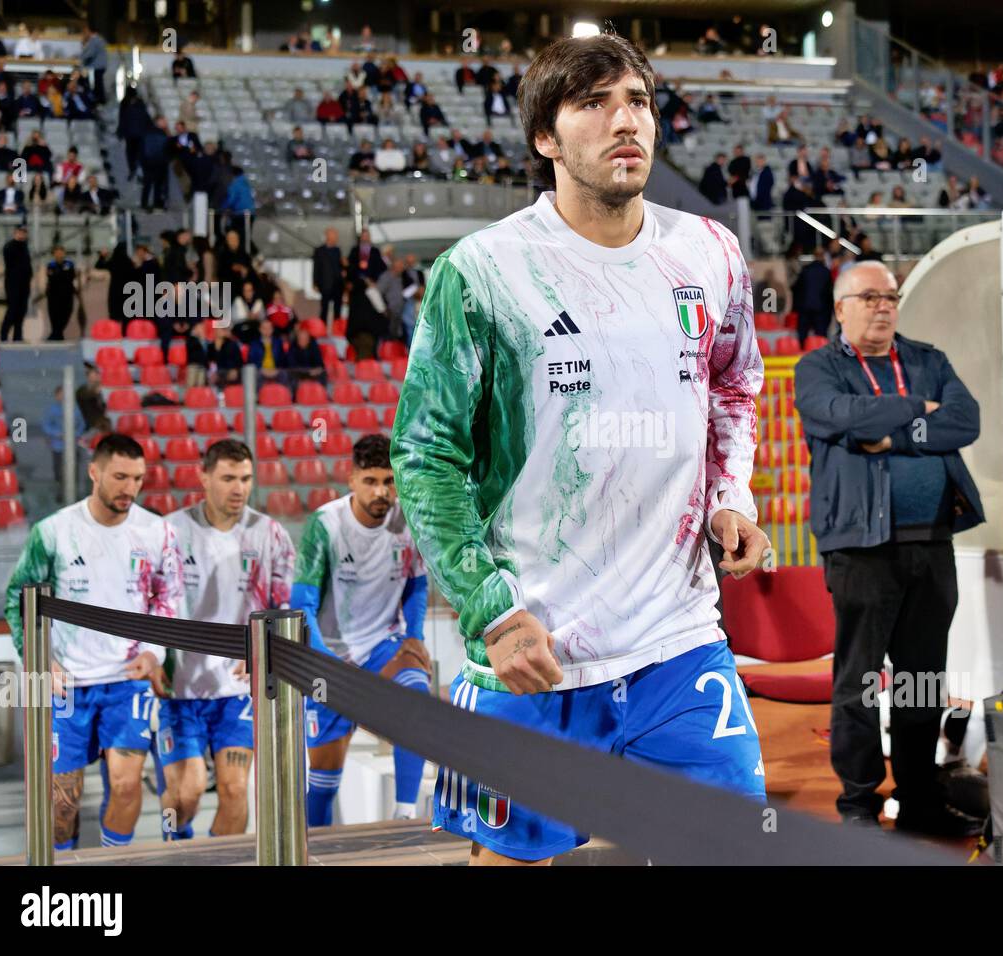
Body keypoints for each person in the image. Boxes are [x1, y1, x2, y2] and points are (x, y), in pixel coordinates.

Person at [392, 33, 770, 865]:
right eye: (592, 105)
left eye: (635, 100)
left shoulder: (709, 253)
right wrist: (491, 612)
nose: (623, 120)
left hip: (681, 644)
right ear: (546, 139)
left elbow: (736, 387)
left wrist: (730, 497)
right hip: (539, 653)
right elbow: (425, 456)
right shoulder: (484, 272)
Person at [793, 261, 987, 836]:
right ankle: (857, 805)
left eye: (891, 297)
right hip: (860, 544)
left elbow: (964, 421)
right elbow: (836, 415)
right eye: (869, 296)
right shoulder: (818, 367)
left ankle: (919, 795)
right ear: (840, 308)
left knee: (921, 680)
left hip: (930, 541)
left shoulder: (928, 359)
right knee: (858, 680)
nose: (883, 306)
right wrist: (916, 408)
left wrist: (894, 435)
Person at [4, 434, 183, 851]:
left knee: (125, 786)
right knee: (61, 803)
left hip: (127, 680)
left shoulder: (157, 532)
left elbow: (170, 598)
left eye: (138, 478)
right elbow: (18, 599)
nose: (130, 488)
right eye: (120, 476)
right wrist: (38, 661)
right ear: (94, 472)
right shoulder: (54, 532)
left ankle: (112, 867)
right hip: (67, 682)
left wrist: (154, 653)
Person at [158, 440, 295, 839]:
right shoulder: (167, 532)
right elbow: (142, 600)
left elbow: (284, 603)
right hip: (178, 688)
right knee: (187, 792)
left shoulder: (269, 534)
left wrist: (264, 643)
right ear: (204, 476)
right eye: (228, 478)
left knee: (236, 791)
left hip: (236, 689)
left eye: (246, 478)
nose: (239, 488)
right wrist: (151, 656)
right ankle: (176, 849)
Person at [291, 434, 431, 824]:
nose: (381, 491)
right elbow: (300, 604)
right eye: (371, 481)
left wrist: (414, 634)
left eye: (389, 480)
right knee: (323, 777)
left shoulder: (408, 522)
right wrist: (324, 662)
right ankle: (312, 848)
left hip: (383, 646)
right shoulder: (325, 524)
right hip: (330, 652)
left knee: (417, 702)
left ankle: (406, 820)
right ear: (352, 479)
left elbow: (417, 583)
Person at [41, 386, 86, 501]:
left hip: (72, 445)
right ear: (56, 396)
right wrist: (57, 434)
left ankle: (73, 493)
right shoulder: (52, 410)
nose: (63, 397)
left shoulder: (75, 409)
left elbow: (82, 425)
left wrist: (74, 434)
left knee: (74, 469)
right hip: (58, 446)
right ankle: (61, 491)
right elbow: (46, 426)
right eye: (61, 394)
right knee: (58, 471)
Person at [792, 246, 834, 345]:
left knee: (802, 338)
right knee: (821, 338)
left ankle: (802, 356)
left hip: (805, 309)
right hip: (821, 310)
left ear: (814, 256)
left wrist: (796, 307)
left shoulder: (805, 270)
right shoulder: (826, 272)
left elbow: (796, 289)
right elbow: (829, 293)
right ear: (823, 256)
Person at [1, 225, 31, 343]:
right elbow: (12, 264)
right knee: (12, 309)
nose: (22, 234)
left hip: (24, 283)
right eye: (20, 232)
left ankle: (17, 336)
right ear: (15, 233)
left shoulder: (25, 247)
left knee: (21, 310)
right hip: (13, 283)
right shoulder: (10, 247)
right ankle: (4, 335)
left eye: (24, 232)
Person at [44, 245, 78, 342]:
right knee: (54, 314)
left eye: (61, 252)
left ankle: (56, 334)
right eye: (57, 252)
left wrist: (60, 275)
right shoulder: (51, 265)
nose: (59, 254)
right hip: (54, 294)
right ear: (54, 254)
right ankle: (57, 334)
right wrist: (62, 274)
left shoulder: (69, 264)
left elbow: (71, 276)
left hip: (67, 293)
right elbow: (52, 277)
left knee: (67, 312)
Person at [80, 25, 109, 105]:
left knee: (96, 85)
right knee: (99, 84)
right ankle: (100, 101)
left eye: (85, 32)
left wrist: (80, 58)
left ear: (89, 31)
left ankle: (98, 102)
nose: (84, 34)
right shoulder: (100, 39)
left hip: (96, 66)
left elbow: (89, 54)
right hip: (101, 66)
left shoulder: (94, 40)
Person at [75, 362, 107, 430]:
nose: (98, 376)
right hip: (88, 426)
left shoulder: (100, 391)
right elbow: (88, 394)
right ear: (88, 377)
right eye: (95, 374)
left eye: (98, 374)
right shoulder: (82, 390)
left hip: (101, 425)